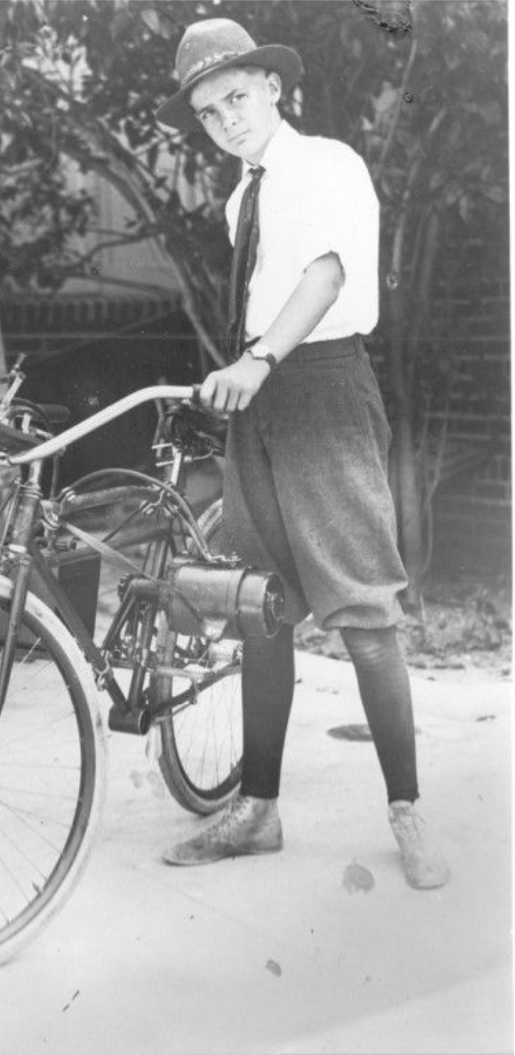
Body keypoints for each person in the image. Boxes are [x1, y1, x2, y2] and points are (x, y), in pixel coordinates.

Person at [155, 18, 449, 889]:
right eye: (208, 113)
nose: (226, 120)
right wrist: (246, 375)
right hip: (264, 403)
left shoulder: (326, 164)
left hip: (321, 388)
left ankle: (408, 810)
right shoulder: (241, 198)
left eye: (236, 98)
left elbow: (325, 275)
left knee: (363, 609)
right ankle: (259, 807)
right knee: (260, 605)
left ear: (272, 88)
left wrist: (257, 359)